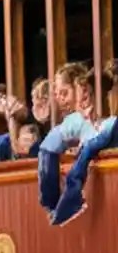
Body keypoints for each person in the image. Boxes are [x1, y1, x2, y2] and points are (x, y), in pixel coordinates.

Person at [44, 61, 118, 226]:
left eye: (85, 97)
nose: (82, 103)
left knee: (90, 146)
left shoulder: (108, 123)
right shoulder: (83, 124)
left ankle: (72, 199)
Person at [38, 62, 105, 213]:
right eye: (58, 95)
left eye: (64, 93)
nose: (61, 100)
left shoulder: (78, 119)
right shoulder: (74, 120)